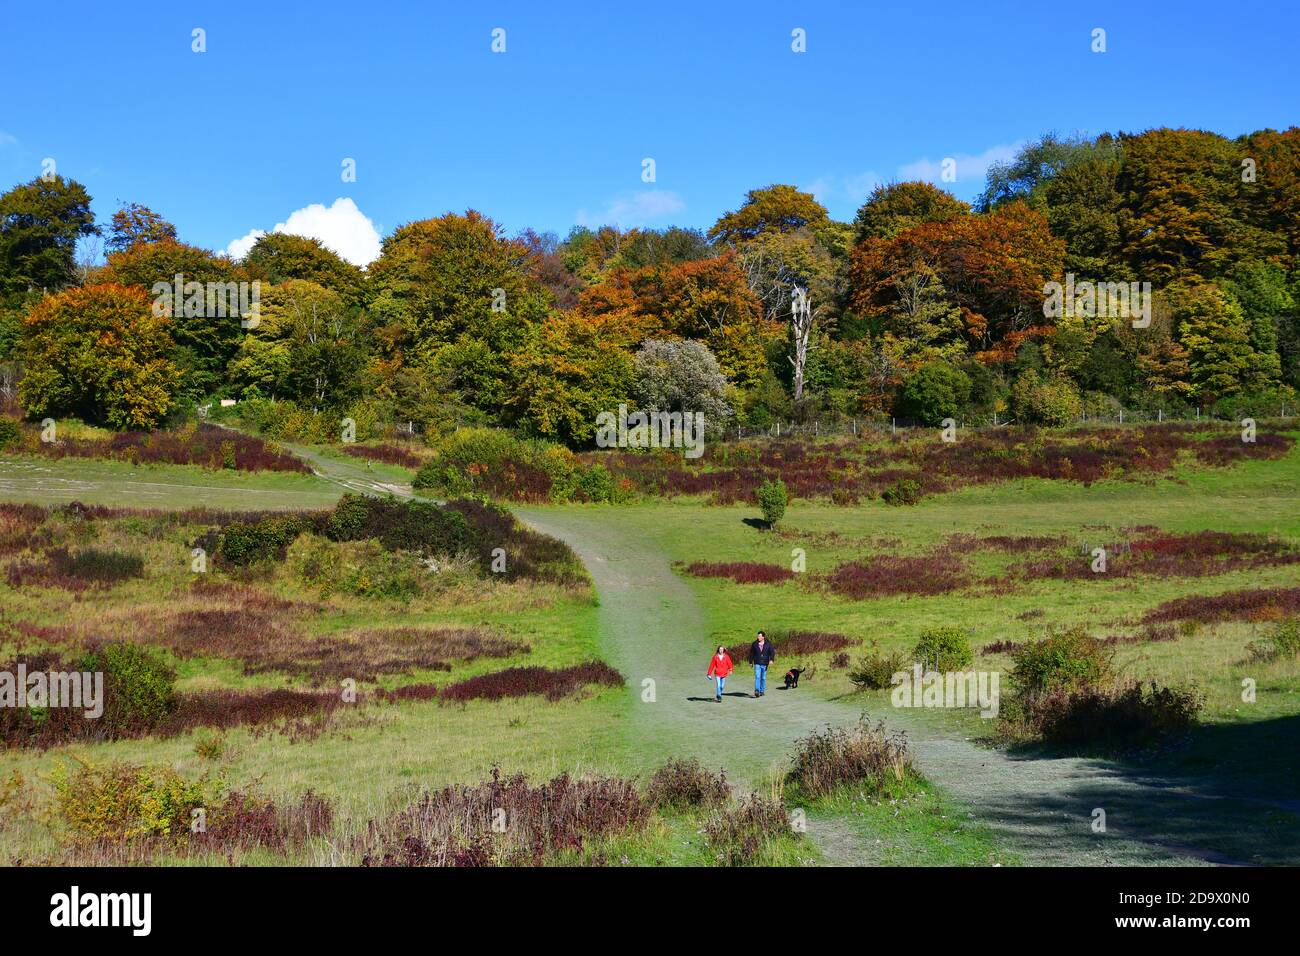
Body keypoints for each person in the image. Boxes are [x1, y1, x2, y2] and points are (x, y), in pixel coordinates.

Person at [748, 630, 775, 698]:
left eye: (759, 636)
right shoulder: (754, 644)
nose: (758, 637)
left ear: (763, 637)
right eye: (758, 636)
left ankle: (762, 691)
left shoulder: (768, 644)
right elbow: (751, 653)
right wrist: (750, 662)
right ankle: (757, 690)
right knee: (757, 676)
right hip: (757, 662)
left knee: (763, 677)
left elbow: (772, 652)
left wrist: (771, 659)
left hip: (765, 663)